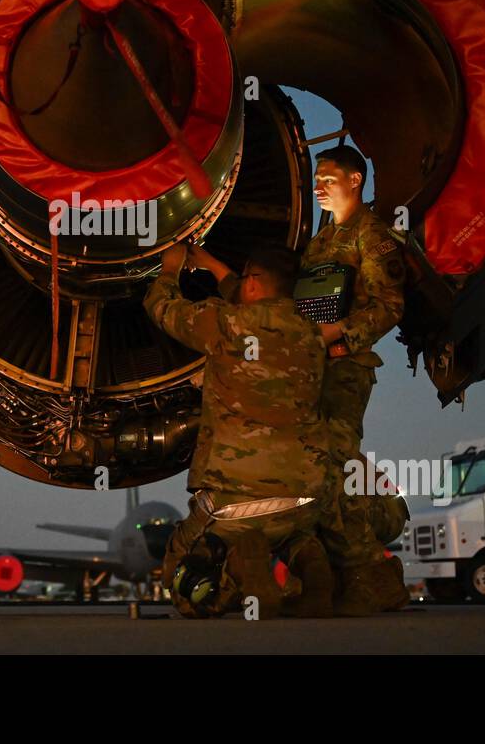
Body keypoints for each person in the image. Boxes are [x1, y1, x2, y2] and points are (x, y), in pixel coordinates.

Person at [187, 143, 410, 615]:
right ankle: (335, 575)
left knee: (332, 467)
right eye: (317, 178)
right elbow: (283, 301)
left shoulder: (373, 238)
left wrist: (337, 334)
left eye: (329, 177)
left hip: (345, 368)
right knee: (313, 471)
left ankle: (373, 572)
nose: (319, 185)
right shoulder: (322, 242)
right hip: (312, 368)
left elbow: (390, 307)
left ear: (356, 180)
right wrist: (213, 269)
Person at [143, 243, 339, 618]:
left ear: (252, 283)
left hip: (236, 502)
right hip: (306, 500)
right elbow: (256, 302)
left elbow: (161, 308)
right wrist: (217, 268)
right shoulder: (312, 336)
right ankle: (311, 566)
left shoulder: (225, 323)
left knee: (183, 586)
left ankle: (240, 568)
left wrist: (169, 270)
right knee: (288, 531)